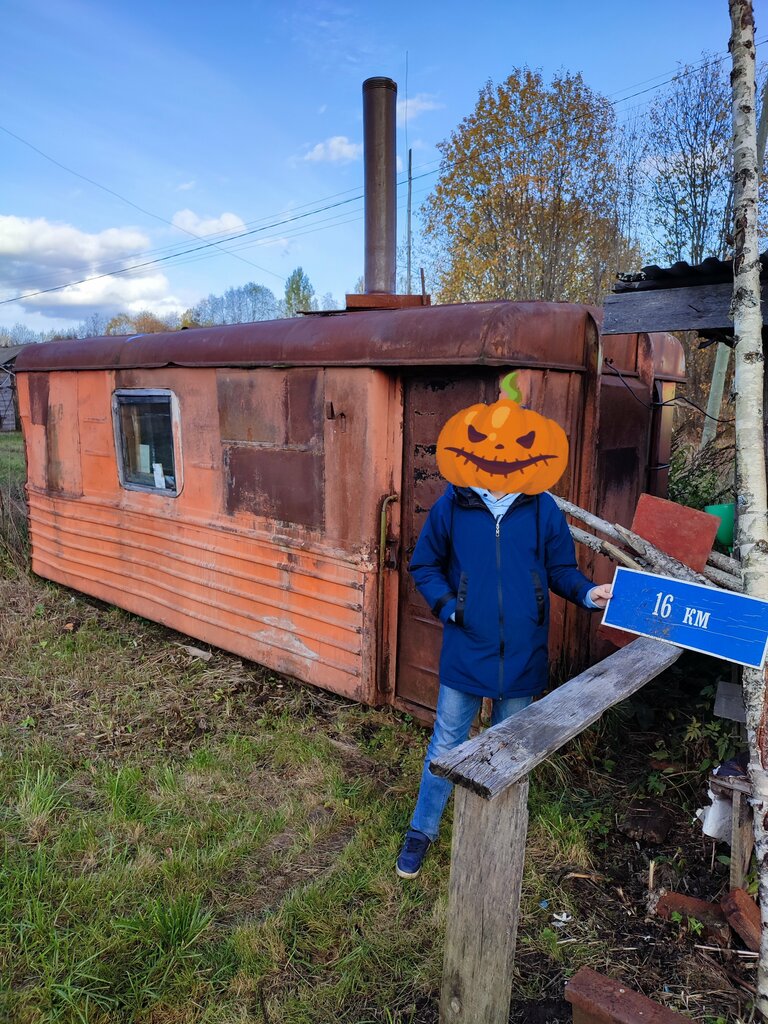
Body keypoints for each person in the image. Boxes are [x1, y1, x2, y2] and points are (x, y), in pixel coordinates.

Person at [395, 483, 612, 879]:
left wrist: (587, 593)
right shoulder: (454, 503)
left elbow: (560, 569)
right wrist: (450, 608)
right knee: (446, 744)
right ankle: (421, 831)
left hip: (522, 651)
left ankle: (494, 841)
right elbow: (424, 565)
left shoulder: (541, 506)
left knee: (509, 751)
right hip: (467, 647)